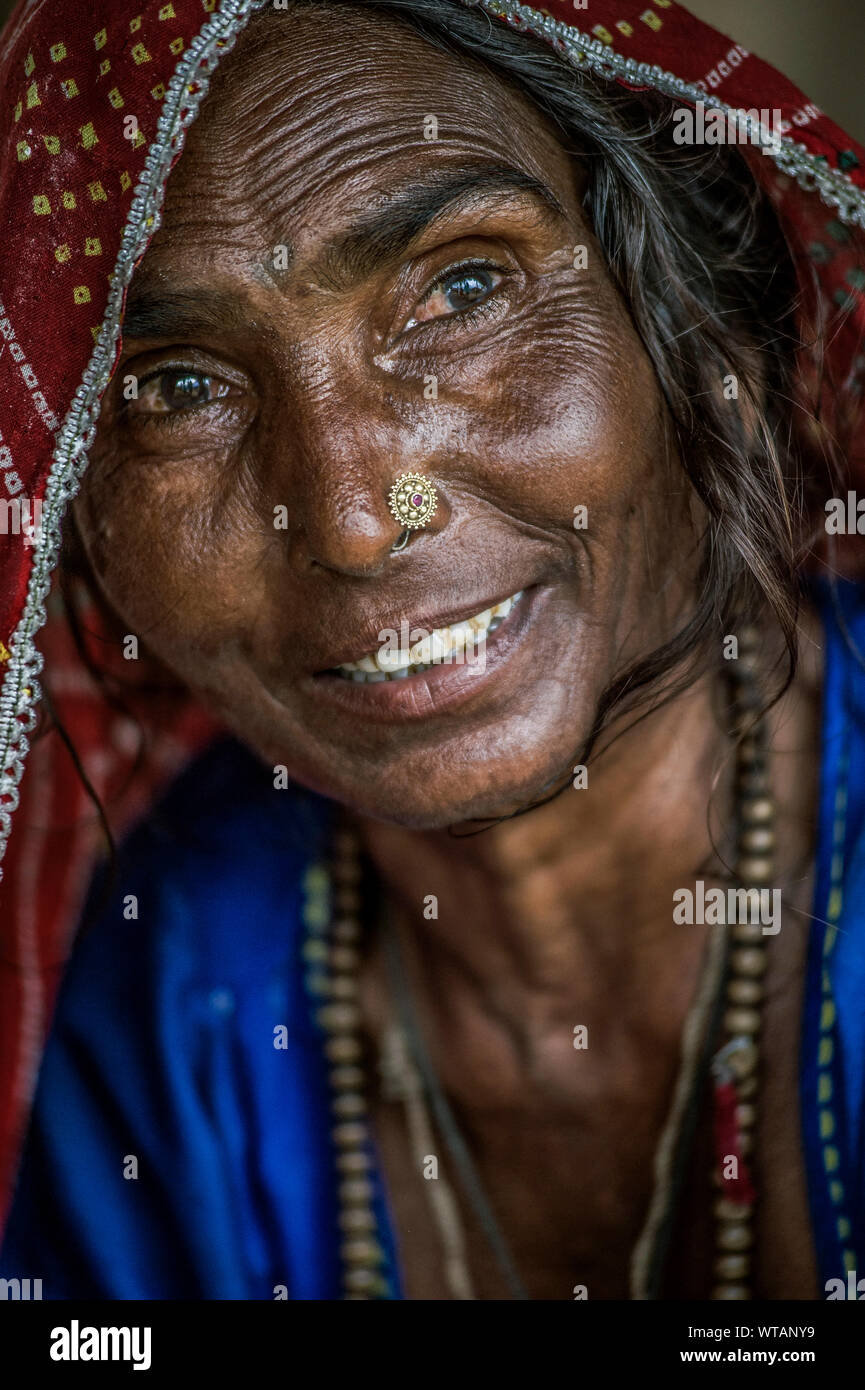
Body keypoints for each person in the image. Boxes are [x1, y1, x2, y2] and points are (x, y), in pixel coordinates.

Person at [0, 0, 863, 1301]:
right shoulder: (158, 985)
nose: (352, 521)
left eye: (464, 287)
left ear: (698, 315)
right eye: (173, 385)